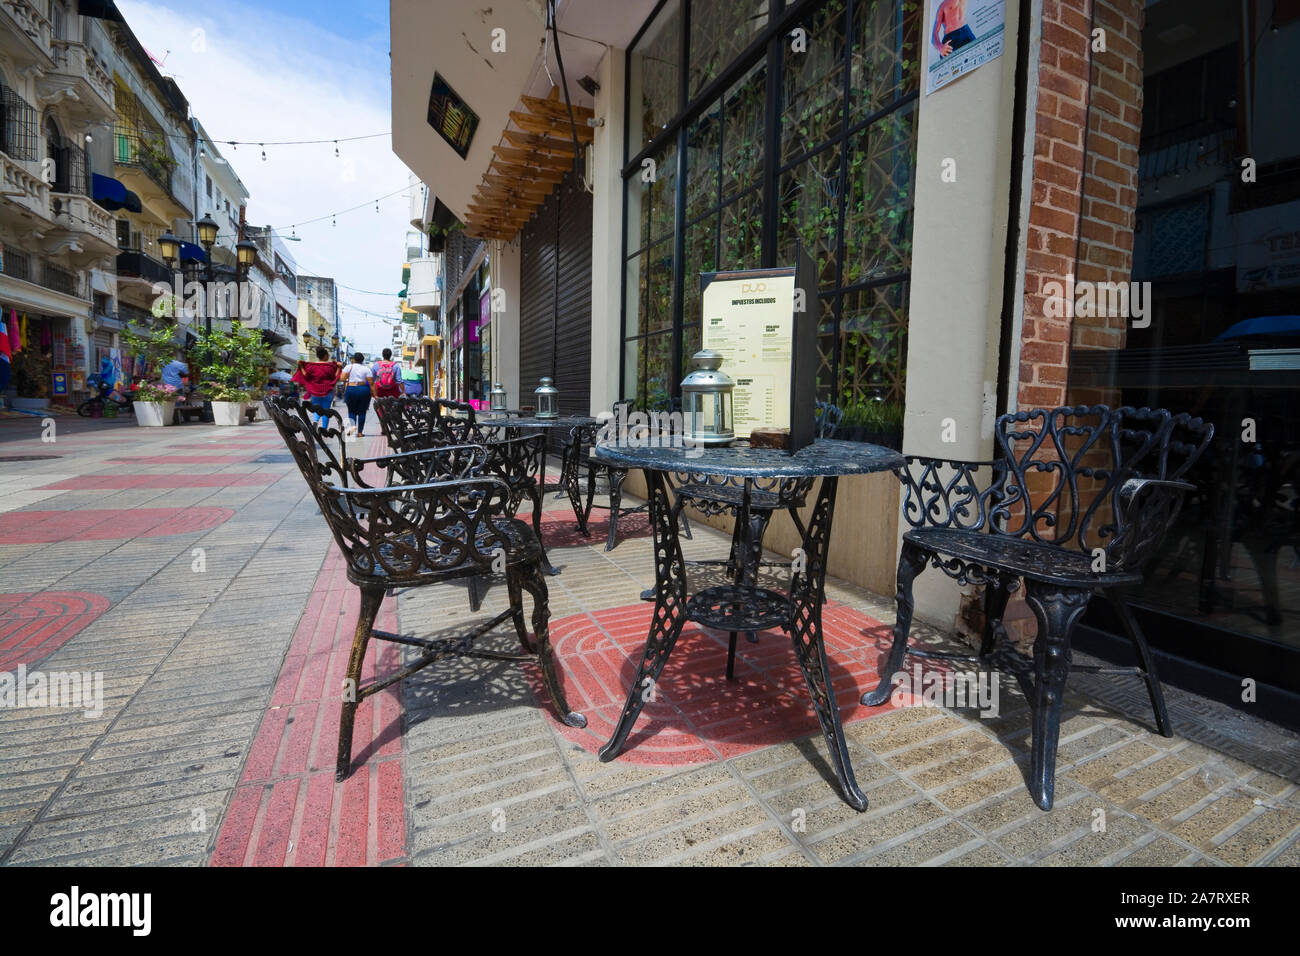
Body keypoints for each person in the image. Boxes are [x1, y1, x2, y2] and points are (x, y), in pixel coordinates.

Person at [291, 346, 342, 426]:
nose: (328, 357)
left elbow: (306, 376)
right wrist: (339, 368)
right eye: (327, 355)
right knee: (326, 410)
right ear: (325, 356)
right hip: (328, 391)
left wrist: (301, 366)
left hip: (314, 391)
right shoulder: (330, 366)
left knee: (316, 409)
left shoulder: (311, 366)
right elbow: (335, 377)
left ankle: (315, 422)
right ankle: (324, 429)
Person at [338, 351, 374, 435]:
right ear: (362, 360)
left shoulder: (348, 367)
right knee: (362, 412)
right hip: (363, 390)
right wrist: (375, 394)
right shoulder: (366, 369)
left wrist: (348, 377)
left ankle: (351, 431)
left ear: (354, 359)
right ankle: (360, 433)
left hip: (351, 389)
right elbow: (371, 383)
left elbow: (342, 379)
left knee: (351, 411)